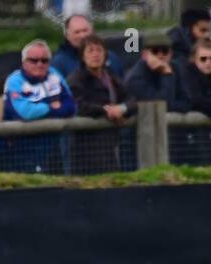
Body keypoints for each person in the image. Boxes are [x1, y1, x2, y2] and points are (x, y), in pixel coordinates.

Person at [0, 40, 75, 174]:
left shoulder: (55, 76)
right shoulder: (15, 80)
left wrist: (39, 107)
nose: (40, 64)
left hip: (50, 154)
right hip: (17, 154)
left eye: (44, 60)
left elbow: (70, 107)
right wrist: (53, 107)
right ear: (24, 62)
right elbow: (25, 113)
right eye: (34, 60)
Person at [67, 36, 135, 174]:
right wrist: (104, 111)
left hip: (110, 146)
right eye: (90, 51)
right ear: (82, 56)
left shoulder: (111, 76)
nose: (95, 54)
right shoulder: (76, 79)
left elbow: (131, 100)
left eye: (99, 50)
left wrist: (121, 109)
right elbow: (77, 106)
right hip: (85, 151)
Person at [174, 38, 211, 165]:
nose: (208, 62)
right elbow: (197, 101)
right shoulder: (188, 76)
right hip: (190, 145)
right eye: (203, 59)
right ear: (194, 59)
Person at [51, 15, 123, 83]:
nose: (82, 35)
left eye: (85, 30)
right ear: (67, 36)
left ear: (92, 31)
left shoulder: (111, 57)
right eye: (77, 32)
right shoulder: (59, 63)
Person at [124, 33, 185, 109]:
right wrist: (166, 73)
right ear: (144, 55)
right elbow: (161, 104)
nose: (160, 55)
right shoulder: (135, 77)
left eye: (165, 51)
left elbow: (187, 103)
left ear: (171, 54)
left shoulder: (176, 68)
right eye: (155, 51)